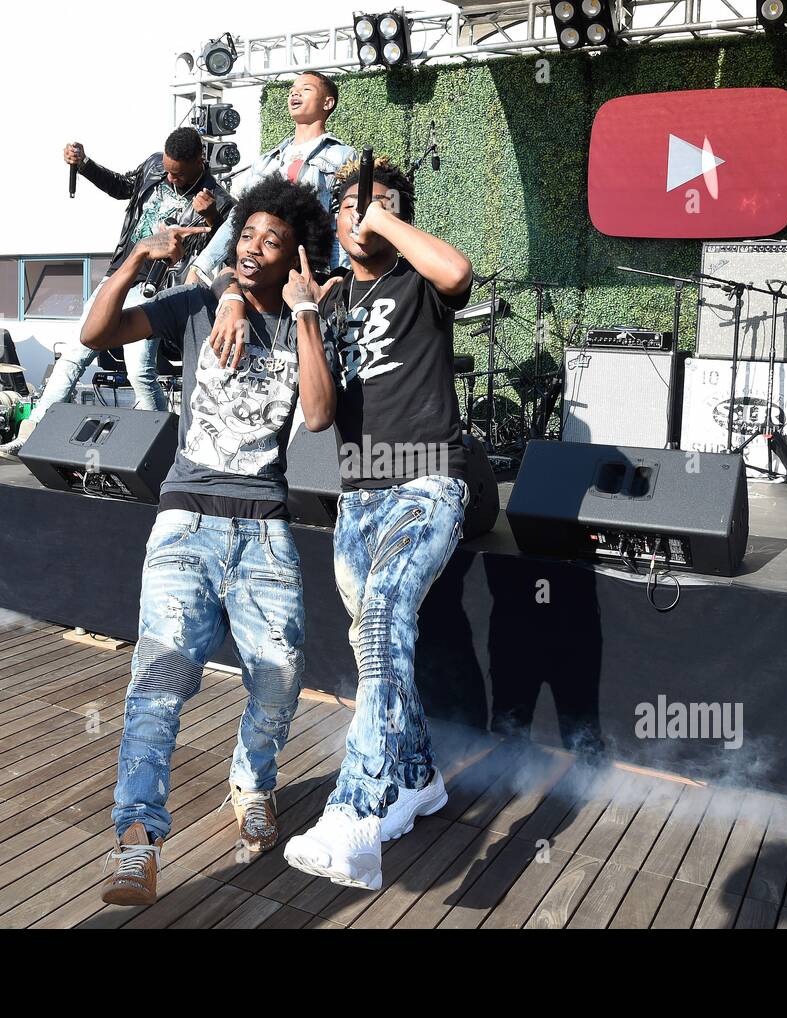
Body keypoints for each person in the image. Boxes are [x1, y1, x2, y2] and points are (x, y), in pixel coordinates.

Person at [84, 176, 340, 908]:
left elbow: (318, 416)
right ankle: (136, 841)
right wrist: (137, 258)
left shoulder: (301, 316)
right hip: (186, 521)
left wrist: (307, 315)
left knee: (281, 675)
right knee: (157, 681)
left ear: (295, 257)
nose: (257, 248)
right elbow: (96, 334)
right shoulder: (199, 305)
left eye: (274, 241)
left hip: (264, 527)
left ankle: (252, 781)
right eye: (249, 235)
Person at [281, 157, 474, 892]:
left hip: (426, 482)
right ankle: (420, 779)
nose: (361, 216)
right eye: (349, 208)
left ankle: (354, 815)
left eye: (380, 206)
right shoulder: (328, 304)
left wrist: (383, 212)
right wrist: (303, 312)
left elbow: (457, 272)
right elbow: (320, 413)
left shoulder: (418, 281)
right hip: (356, 498)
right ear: (333, 222)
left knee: (386, 616)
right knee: (378, 651)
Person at [0, 127, 234, 458]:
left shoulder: (218, 199)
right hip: (120, 275)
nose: (169, 177)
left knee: (140, 373)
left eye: (177, 174)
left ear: (199, 161)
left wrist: (211, 216)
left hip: (156, 288)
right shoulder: (153, 166)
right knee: (74, 357)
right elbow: (122, 187)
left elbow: (220, 252)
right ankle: (33, 432)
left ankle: (165, 448)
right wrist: (86, 164)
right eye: (166, 170)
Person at [189, 71, 354, 284]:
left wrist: (339, 275)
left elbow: (343, 222)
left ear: (327, 102)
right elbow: (238, 218)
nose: (295, 93)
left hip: (308, 272)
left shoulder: (341, 155)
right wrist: (201, 265)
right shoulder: (268, 160)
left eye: (306, 89)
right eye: (292, 90)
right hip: (262, 272)